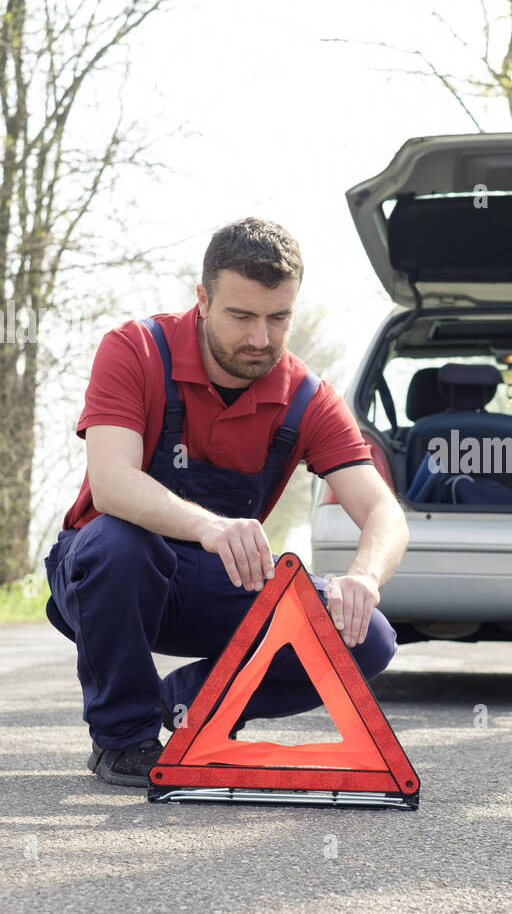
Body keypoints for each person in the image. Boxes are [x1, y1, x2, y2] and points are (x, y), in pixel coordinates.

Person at [43, 217, 409, 787]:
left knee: (369, 638)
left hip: (219, 586)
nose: (260, 339)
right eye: (241, 316)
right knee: (120, 543)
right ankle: (125, 739)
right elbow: (112, 483)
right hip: (112, 582)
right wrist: (211, 527)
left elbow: (384, 513)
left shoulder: (308, 397)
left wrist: (364, 577)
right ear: (203, 300)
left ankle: (191, 702)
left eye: (278, 318)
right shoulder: (135, 349)